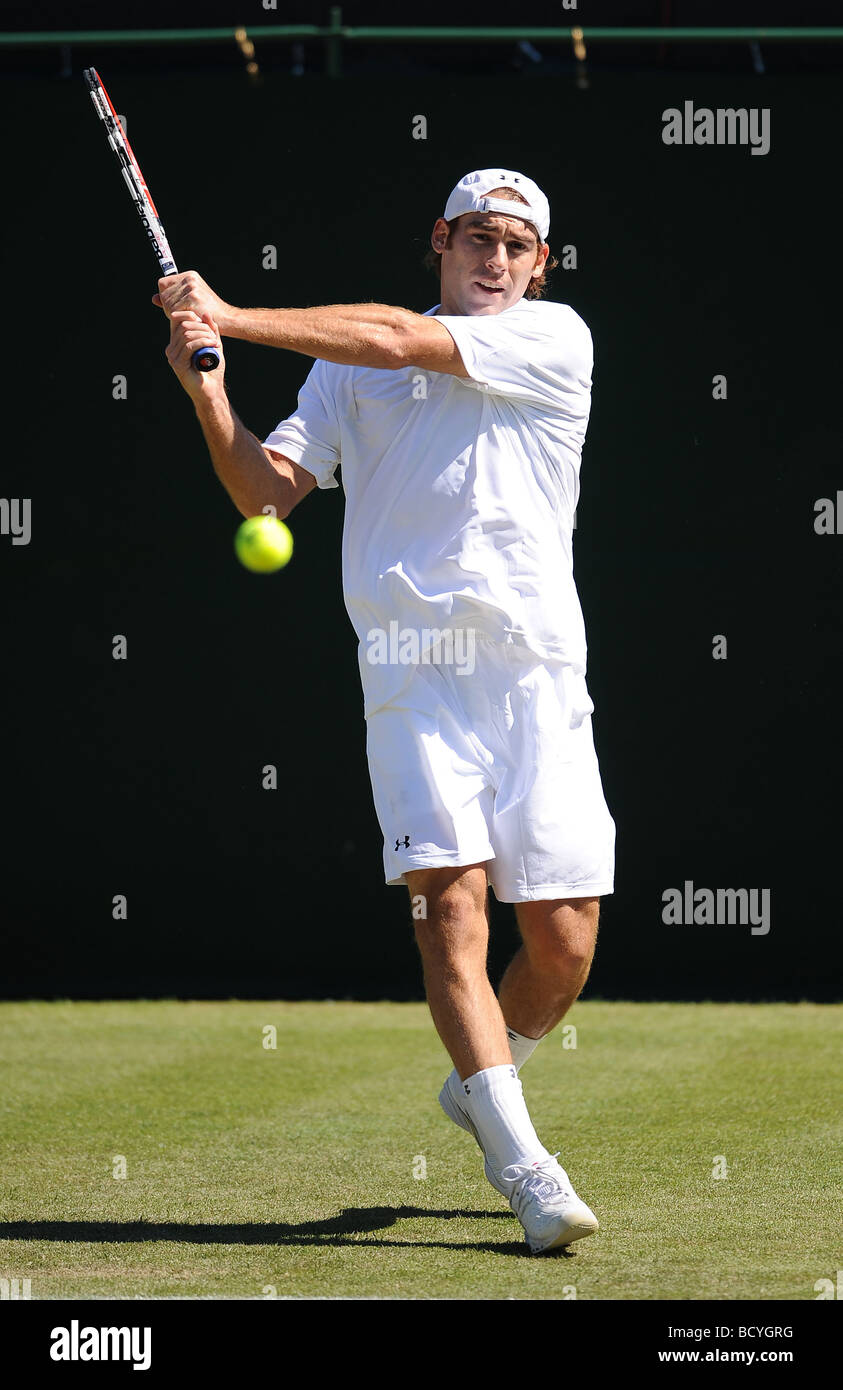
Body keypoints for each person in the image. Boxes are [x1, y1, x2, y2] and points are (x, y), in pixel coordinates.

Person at [157, 168, 616, 1255]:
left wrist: (230, 314)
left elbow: (403, 342)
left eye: (515, 243)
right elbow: (266, 495)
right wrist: (207, 388)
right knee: (449, 907)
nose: (493, 257)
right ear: (439, 243)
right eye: (473, 237)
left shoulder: (556, 339)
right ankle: (525, 1165)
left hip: (539, 677)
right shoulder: (344, 368)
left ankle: (481, 1075)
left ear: (540, 265)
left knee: (562, 945)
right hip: (413, 674)